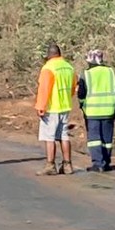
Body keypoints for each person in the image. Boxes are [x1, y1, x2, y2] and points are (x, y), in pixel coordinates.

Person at [36, 43, 77, 175]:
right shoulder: (69, 67)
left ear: (49, 55)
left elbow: (44, 89)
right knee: (64, 136)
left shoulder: (48, 68)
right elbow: (73, 88)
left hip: (52, 107)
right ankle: (67, 165)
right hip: (65, 106)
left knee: (50, 137)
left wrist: (41, 106)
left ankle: (50, 165)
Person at [78, 49, 115, 172]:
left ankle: (98, 163)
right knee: (107, 139)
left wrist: (82, 106)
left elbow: (81, 93)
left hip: (92, 111)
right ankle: (106, 163)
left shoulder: (86, 74)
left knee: (94, 139)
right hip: (109, 110)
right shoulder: (111, 72)